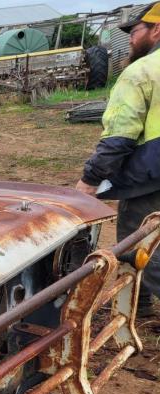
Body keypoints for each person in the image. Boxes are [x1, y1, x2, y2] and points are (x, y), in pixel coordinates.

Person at [76, 3, 160, 317]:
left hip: (150, 178)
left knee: (140, 243)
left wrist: (89, 181)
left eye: (135, 31)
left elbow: (119, 138)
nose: (131, 40)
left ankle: (136, 310)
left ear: (156, 29)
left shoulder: (142, 71)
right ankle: (141, 305)